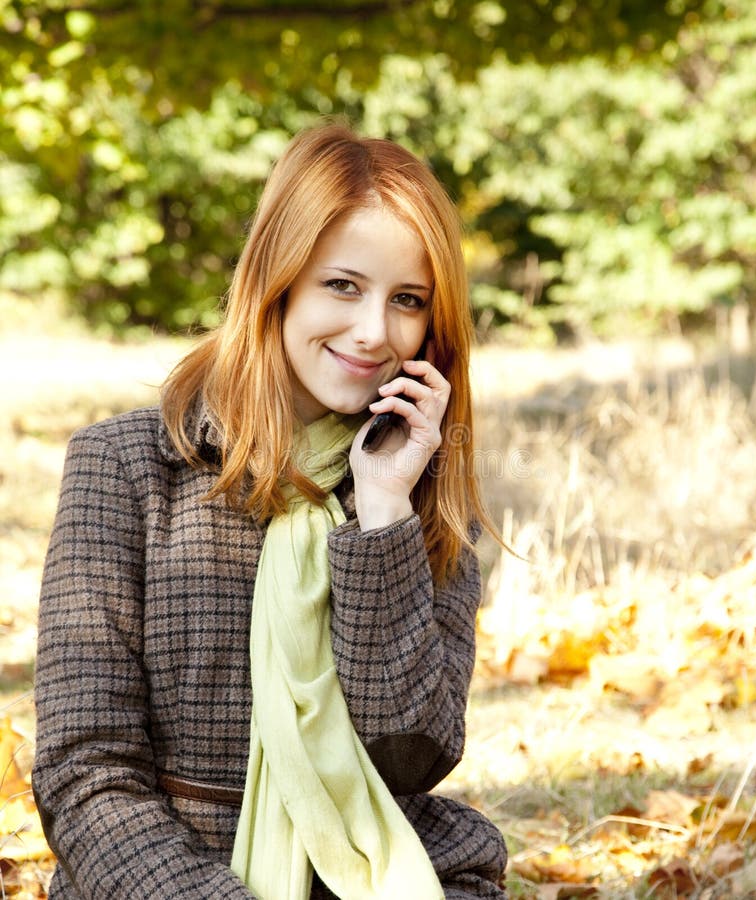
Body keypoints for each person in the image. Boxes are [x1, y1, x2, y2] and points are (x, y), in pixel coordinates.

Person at [33, 121, 508, 899]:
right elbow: (86, 776)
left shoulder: (423, 489)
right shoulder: (123, 469)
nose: (372, 332)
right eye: (342, 285)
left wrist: (382, 513)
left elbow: (410, 759)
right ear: (278, 279)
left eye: (407, 301)